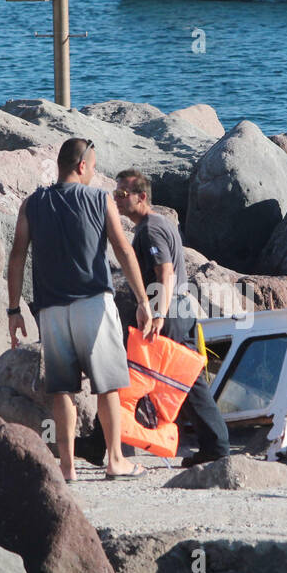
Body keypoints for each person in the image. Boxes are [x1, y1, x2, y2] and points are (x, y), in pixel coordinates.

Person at [7, 138, 162, 482]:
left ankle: (68, 466)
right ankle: (116, 460)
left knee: (62, 388)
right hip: (93, 303)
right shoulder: (99, 199)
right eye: (92, 167)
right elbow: (123, 250)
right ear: (81, 166)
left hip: (50, 309)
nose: (93, 173)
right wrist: (142, 301)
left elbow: (17, 256)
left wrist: (14, 309)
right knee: (107, 385)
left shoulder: (31, 204)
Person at [114, 169, 231, 467]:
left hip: (170, 310)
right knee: (186, 380)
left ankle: (215, 446)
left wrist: (159, 314)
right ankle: (213, 445)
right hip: (180, 308)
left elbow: (164, 271)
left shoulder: (151, 229)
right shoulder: (159, 223)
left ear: (142, 197)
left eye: (122, 194)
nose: (117, 199)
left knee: (172, 379)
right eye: (116, 194)